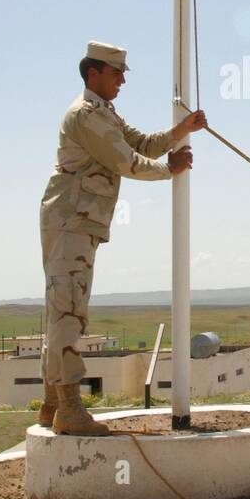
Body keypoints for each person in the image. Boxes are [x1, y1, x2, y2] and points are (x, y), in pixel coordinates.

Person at [39, 41, 207, 435]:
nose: (123, 80)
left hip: (79, 222)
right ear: (93, 72)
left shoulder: (104, 113)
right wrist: (170, 169)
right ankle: (69, 410)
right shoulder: (86, 115)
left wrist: (180, 131)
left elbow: (141, 143)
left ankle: (51, 405)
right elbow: (126, 161)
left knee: (64, 308)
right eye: (117, 73)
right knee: (67, 312)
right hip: (70, 222)